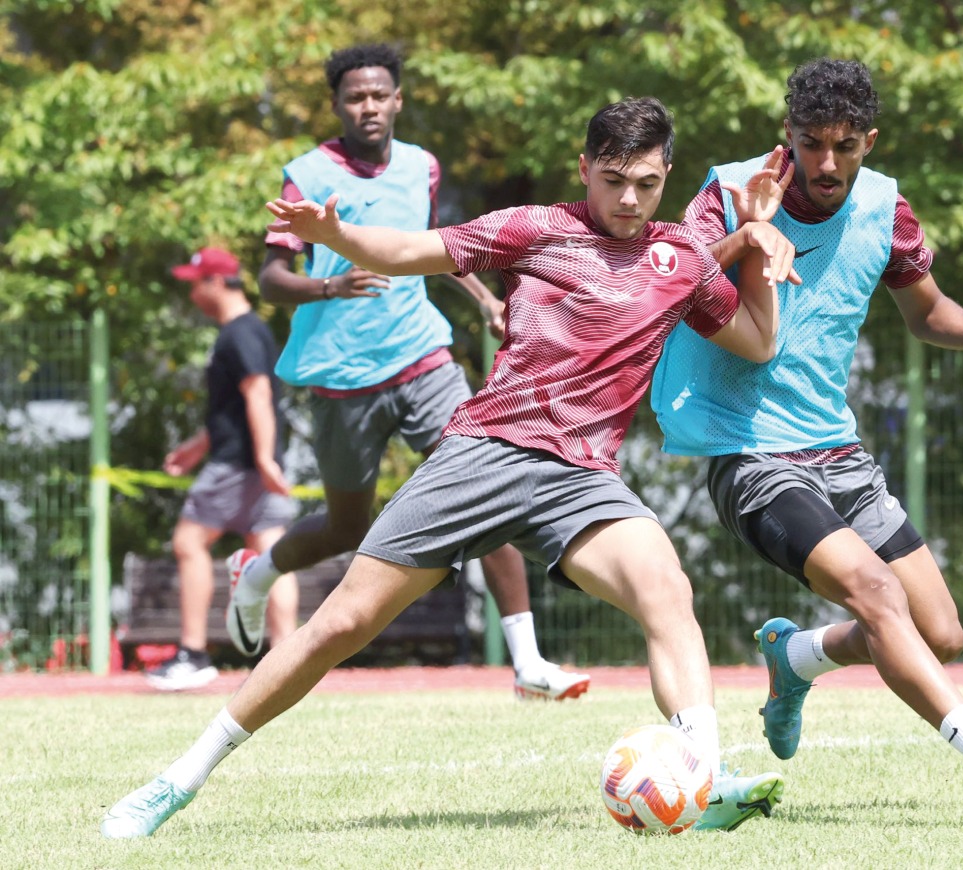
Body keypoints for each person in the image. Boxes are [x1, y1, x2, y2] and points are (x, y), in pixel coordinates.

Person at [101, 96, 799, 839]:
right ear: (584, 168)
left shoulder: (681, 259)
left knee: (666, 587)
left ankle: (704, 773)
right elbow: (410, 253)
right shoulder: (536, 228)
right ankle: (179, 779)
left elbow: (757, 341)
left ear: (666, 177)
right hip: (486, 452)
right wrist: (337, 235)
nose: (629, 199)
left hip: (581, 477)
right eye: (613, 179)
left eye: (648, 184)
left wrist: (759, 244)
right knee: (343, 621)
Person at [650, 59, 963, 829]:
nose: (825, 164)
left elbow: (927, 313)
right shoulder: (730, 189)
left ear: (868, 141)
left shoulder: (888, 208)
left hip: (836, 450)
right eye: (810, 143)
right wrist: (750, 231)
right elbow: (668, 280)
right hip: (748, 450)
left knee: (940, 634)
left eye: (844, 146)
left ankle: (797, 658)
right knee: (879, 595)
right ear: (786, 135)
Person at [231, 43, 583, 700]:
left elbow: (431, 251)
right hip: (341, 377)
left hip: (423, 358)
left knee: (485, 486)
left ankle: (529, 665)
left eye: (378, 95)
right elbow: (271, 280)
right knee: (345, 529)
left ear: (398, 100)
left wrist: (484, 301)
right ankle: (255, 575)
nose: (368, 106)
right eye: (354, 97)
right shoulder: (305, 175)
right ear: (337, 106)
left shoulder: (421, 166)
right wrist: (330, 289)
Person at [147, 246, 299, 691]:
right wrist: (197, 447)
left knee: (188, 541)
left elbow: (257, 396)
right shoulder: (249, 331)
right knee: (269, 554)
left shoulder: (239, 334)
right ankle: (286, 662)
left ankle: (192, 655)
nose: (192, 293)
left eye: (195, 283)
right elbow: (236, 408)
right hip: (249, 458)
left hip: (240, 463)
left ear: (216, 282)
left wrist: (264, 457)